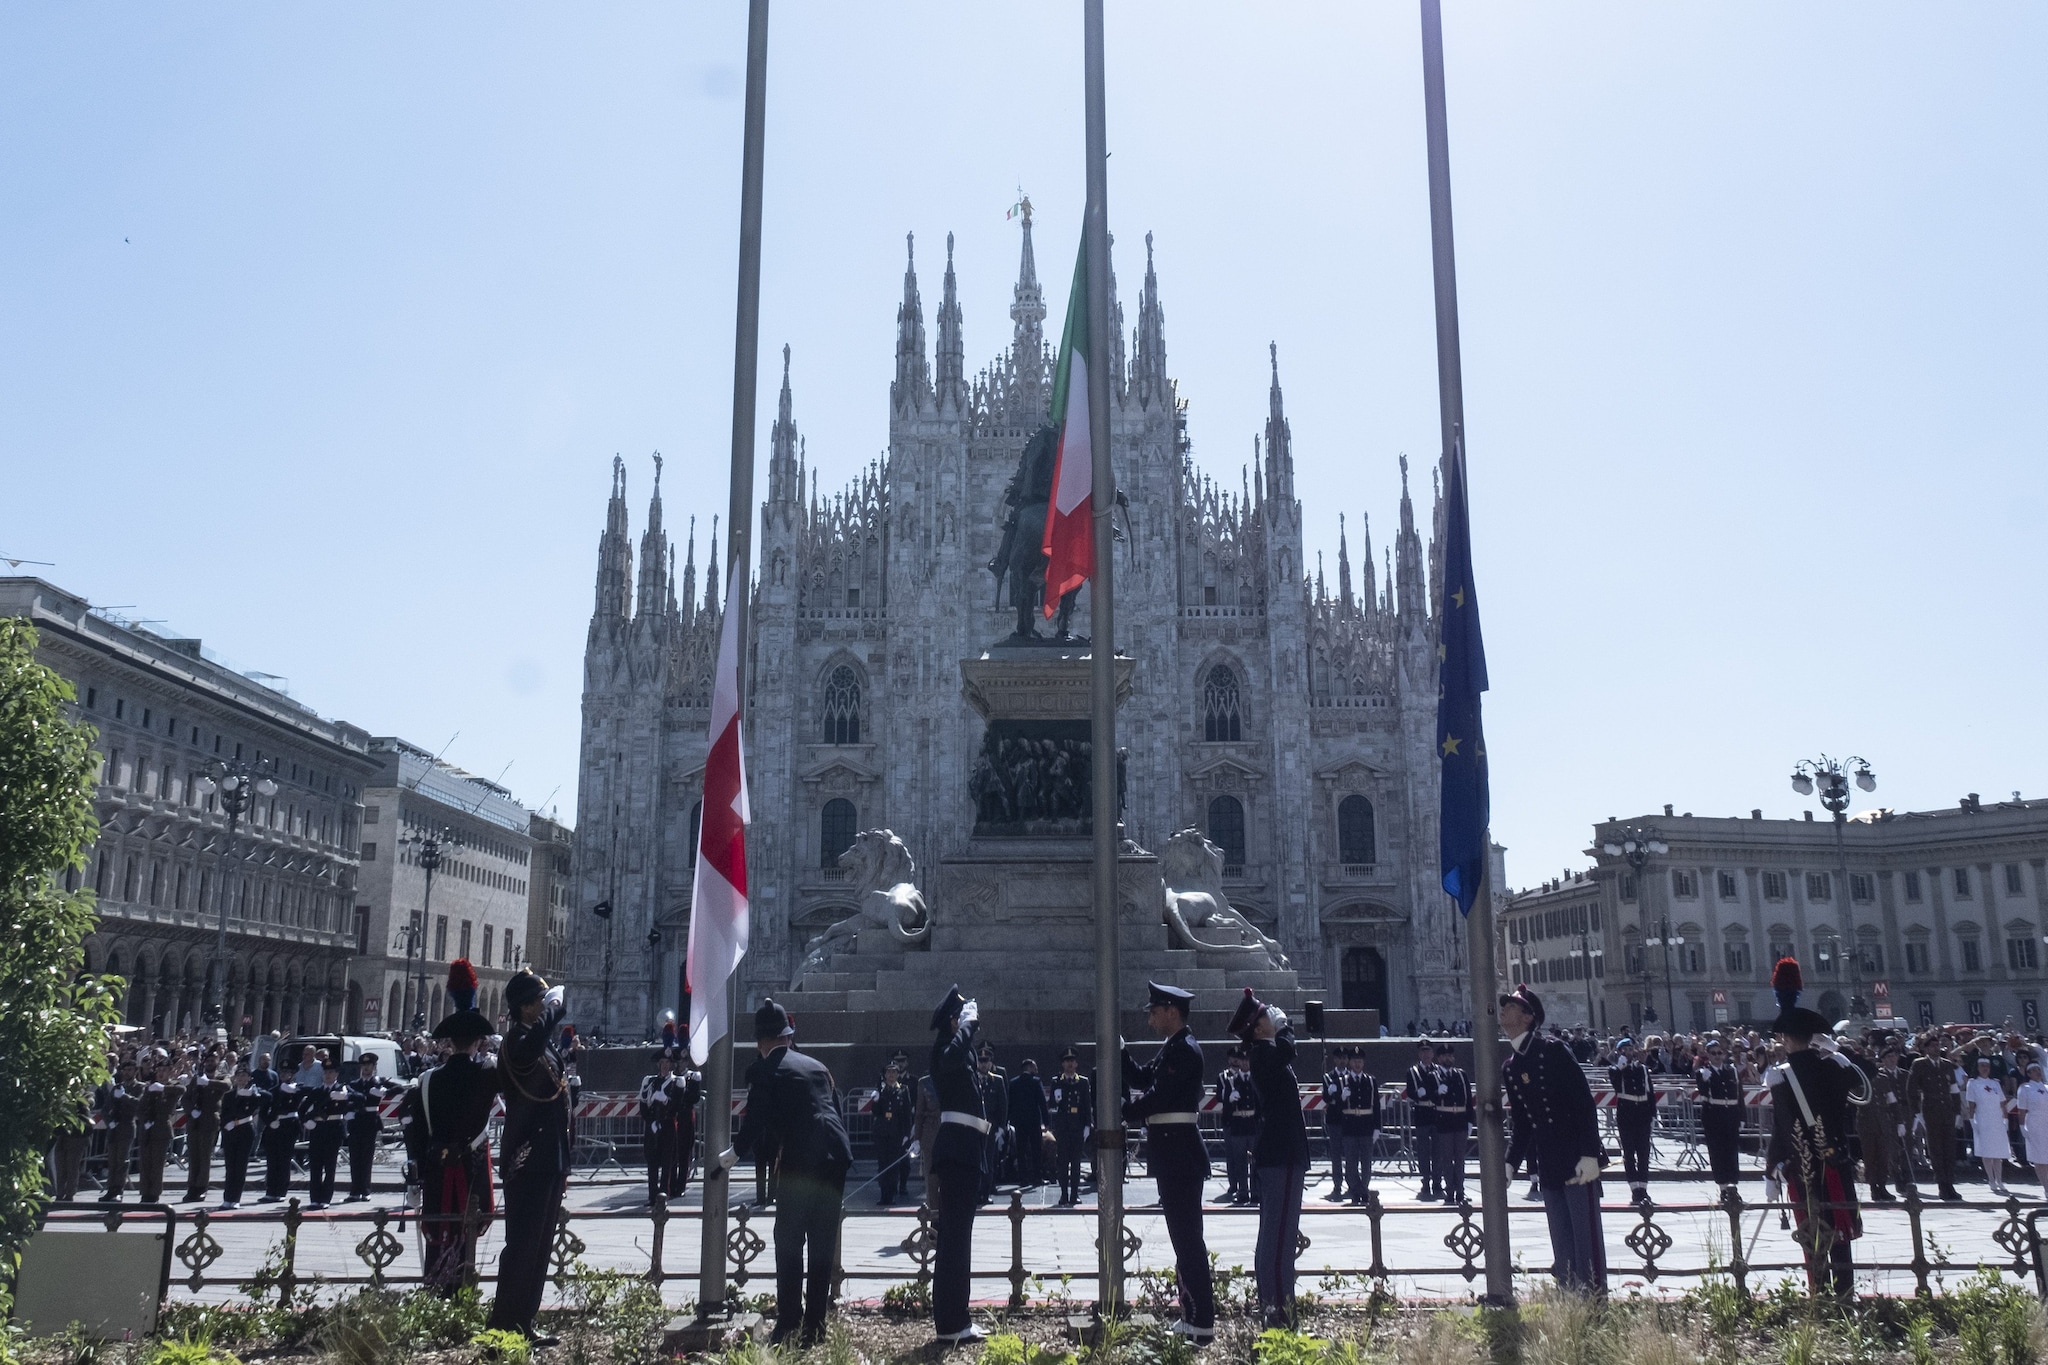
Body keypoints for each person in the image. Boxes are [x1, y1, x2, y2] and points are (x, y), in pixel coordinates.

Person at [734, 998, 854, 1347]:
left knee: (788, 1242)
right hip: (835, 1159)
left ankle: (788, 1323)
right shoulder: (817, 1066)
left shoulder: (766, 1069)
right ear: (788, 1035)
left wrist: (731, 1156)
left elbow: (755, 1121)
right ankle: (815, 1327)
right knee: (821, 1243)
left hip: (800, 1162)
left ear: (761, 1042)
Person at [1763, 958, 1869, 1298]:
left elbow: (1782, 1128)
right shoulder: (1834, 1067)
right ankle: (1845, 1292)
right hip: (1835, 1161)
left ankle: (1820, 1295)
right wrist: (1841, 1054)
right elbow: (1866, 1084)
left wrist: (1770, 1169)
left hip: (1803, 1167)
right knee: (1839, 1231)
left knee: (1813, 1234)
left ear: (1786, 1039)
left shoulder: (1781, 1075)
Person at [486, 967, 574, 1346]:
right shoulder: (516, 1043)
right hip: (528, 1157)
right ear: (524, 1008)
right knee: (522, 1245)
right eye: (539, 1001)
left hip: (550, 1155)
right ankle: (501, 1326)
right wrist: (555, 1009)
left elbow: (559, 1085)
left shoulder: (539, 1042)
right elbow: (534, 1049)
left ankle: (524, 1321)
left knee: (539, 1246)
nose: (544, 1006)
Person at [1122, 982, 1215, 1343]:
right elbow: (1145, 1077)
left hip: (1180, 1155)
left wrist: (1126, 1111)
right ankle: (1191, 1313)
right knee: (1183, 1239)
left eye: (1154, 1012)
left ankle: (1201, 1320)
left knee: (1188, 1239)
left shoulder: (1185, 1051)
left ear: (1171, 1012)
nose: (1150, 1020)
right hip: (1173, 1154)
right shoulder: (1173, 1048)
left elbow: (1160, 1096)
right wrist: (1121, 1054)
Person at [1500, 986, 1606, 1293]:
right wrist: (1511, 1162)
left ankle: (1594, 1303)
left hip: (1575, 1157)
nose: (1504, 1009)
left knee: (1586, 1240)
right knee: (1561, 1238)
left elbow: (1583, 1101)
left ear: (1528, 1017)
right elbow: (1523, 1123)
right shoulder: (1512, 1066)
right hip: (1549, 1160)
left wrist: (1589, 1153)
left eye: (1512, 1006)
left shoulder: (1552, 1050)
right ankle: (1569, 1299)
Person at [399, 984, 497, 1294]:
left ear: (450, 1044)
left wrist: (414, 1167)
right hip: (472, 1164)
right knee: (468, 1227)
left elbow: (411, 1125)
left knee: (440, 1227)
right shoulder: (486, 1075)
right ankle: (463, 1288)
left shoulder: (428, 1079)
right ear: (477, 1043)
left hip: (437, 1165)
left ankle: (435, 1284)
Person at [1231, 988, 1307, 1330]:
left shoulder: (1264, 1053)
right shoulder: (1264, 1054)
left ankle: (1275, 1307)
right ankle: (1279, 1313)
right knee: (1279, 1238)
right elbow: (1288, 1050)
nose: (1271, 1018)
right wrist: (1286, 1026)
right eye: (1266, 1016)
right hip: (1282, 1154)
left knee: (1276, 1235)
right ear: (1258, 1028)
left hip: (1279, 1153)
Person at [927, 986, 988, 1345]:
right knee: (953, 1241)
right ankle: (951, 1322)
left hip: (966, 1150)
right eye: (962, 1018)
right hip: (957, 1152)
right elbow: (951, 1058)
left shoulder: (957, 1053)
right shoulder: (945, 1052)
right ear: (953, 1022)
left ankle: (955, 1319)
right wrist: (968, 1025)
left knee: (957, 1240)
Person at [1906, 1030, 1965, 1201]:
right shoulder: (1919, 1064)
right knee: (1936, 1149)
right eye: (1932, 1046)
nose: (1936, 1048)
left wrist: (1957, 1111)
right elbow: (1911, 1090)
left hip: (1946, 1109)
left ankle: (1950, 1183)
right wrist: (1917, 1113)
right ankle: (1942, 1184)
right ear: (1925, 1049)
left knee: (1949, 1148)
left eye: (1937, 1045)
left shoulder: (1947, 1064)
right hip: (1930, 1109)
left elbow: (1953, 1089)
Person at [1860, 1041, 1913, 1202]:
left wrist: (1900, 1121)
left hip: (1883, 1122)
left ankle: (1882, 1186)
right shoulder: (1859, 1080)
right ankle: (1873, 1187)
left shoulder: (1882, 1078)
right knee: (1870, 1157)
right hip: (1866, 1122)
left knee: (1883, 1156)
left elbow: (1892, 1101)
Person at [1329, 1049, 1380, 1206]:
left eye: (1360, 1061)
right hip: (1349, 1125)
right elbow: (1335, 1108)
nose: (1357, 1064)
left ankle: (1363, 1189)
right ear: (1350, 1063)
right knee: (1351, 1162)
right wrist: (1340, 1098)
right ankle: (1355, 1189)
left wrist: (1377, 1127)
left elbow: (1376, 1105)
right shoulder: (1341, 1082)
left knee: (1366, 1161)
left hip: (1366, 1125)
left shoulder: (1371, 1081)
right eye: (1354, 1061)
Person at [1696, 1038, 1744, 1201]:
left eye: (1719, 1053)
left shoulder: (1731, 1071)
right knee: (1718, 1153)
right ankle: (1723, 1187)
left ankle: (1733, 1187)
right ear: (1708, 1055)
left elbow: (1740, 1095)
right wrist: (1704, 1079)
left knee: (1731, 1152)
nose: (1717, 1056)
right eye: (1713, 1053)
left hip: (1731, 1114)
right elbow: (1703, 1096)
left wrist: (1741, 1116)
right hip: (1714, 1115)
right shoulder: (1703, 1073)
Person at [136, 1052, 188, 1204]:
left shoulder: (172, 1086)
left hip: (161, 1129)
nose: (160, 1073)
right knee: (145, 1163)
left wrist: (162, 1089)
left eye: (164, 1070)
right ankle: (145, 1193)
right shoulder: (150, 1088)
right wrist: (145, 1119)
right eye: (158, 1070)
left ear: (170, 1071)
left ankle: (154, 1194)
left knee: (157, 1164)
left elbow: (181, 1091)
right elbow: (140, 1107)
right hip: (147, 1129)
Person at [1609, 1038, 1656, 1205]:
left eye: (1630, 1049)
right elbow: (1614, 1082)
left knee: (1643, 1153)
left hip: (1642, 1113)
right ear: (1620, 1052)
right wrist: (1621, 1066)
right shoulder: (1616, 1070)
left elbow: (1650, 1093)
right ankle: (1634, 1189)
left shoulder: (1642, 1069)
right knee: (1629, 1154)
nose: (1629, 1052)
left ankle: (1643, 1188)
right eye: (1625, 1050)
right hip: (1626, 1113)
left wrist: (1652, 1114)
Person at [299, 1058, 349, 1209]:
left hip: (333, 1129)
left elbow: (357, 1101)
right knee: (315, 1166)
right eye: (326, 1072)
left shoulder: (342, 1089)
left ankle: (326, 1198)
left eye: (331, 1072)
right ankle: (315, 1198)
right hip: (318, 1129)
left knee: (330, 1166)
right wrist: (306, 1120)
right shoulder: (317, 1091)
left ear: (336, 1074)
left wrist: (345, 1097)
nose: (328, 1075)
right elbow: (302, 1109)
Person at [639, 1052, 688, 1206]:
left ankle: (663, 1195)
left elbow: (678, 1106)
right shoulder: (650, 1081)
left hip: (667, 1125)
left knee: (667, 1162)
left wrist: (666, 1100)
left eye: (667, 1062)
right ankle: (652, 1196)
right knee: (652, 1162)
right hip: (653, 1125)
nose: (665, 1065)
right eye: (662, 1062)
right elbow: (643, 1105)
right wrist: (650, 1121)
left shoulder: (677, 1082)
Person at [344, 1054, 393, 1202]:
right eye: (364, 1066)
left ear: (374, 1067)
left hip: (370, 1122)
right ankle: (354, 1190)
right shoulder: (354, 1084)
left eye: (369, 1065)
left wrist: (384, 1092)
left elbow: (399, 1088)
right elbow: (347, 1099)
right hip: (356, 1121)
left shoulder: (378, 1082)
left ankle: (365, 1189)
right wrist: (349, 1113)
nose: (366, 1068)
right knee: (355, 1156)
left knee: (366, 1156)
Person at [1046, 1048, 1092, 1206]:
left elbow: (1087, 1105)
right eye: (1067, 1061)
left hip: (1078, 1127)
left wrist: (1088, 1125)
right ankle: (1064, 1194)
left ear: (1076, 1063)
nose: (1070, 1064)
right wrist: (1056, 1099)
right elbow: (1051, 1105)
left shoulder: (1083, 1082)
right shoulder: (1057, 1081)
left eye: (1072, 1061)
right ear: (1063, 1064)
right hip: (1063, 1128)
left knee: (1076, 1163)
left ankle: (1074, 1194)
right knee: (1063, 1163)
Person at [181, 1054, 229, 1203]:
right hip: (195, 1121)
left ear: (217, 1062)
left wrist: (209, 1083)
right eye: (207, 1061)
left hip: (209, 1121)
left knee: (204, 1156)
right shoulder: (197, 1079)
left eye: (212, 1061)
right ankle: (192, 1187)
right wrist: (190, 1110)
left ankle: (201, 1187)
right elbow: (185, 1098)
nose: (209, 1063)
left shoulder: (221, 1077)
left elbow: (227, 1086)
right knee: (193, 1156)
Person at [1216, 1046, 1260, 1206]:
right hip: (1238, 1124)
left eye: (1248, 1060)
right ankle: (1243, 1191)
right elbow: (1224, 1106)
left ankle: (1255, 1191)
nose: (1245, 1063)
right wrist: (1229, 1098)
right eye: (1243, 1060)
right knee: (1240, 1160)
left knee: (1255, 1160)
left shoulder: (1256, 1079)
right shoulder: (1231, 1082)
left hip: (1253, 1124)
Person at [1965, 1053, 2013, 1196]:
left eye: (1987, 1066)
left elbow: (2002, 1103)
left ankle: (1999, 1179)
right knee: (1987, 1151)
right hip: (1982, 1119)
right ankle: (1991, 1179)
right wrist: (1972, 1120)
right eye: (1982, 1066)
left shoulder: (1995, 1083)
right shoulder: (1973, 1083)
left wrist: (2005, 1119)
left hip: (1996, 1119)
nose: (1985, 1068)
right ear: (1978, 1067)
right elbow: (1971, 1105)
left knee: (1997, 1152)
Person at [93, 1059, 140, 1203]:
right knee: (112, 1160)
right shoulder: (117, 1087)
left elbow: (139, 1105)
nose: (127, 1073)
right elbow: (105, 1109)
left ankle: (118, 1190)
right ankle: (110, 1189)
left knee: (122, 1160)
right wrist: (109, 1122)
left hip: (127, 1126)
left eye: (130, 1070)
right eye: (125, 1070)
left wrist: (125, 1096)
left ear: (135, 1071)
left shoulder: (140, 1087)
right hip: (115, 1127)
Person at [218, 1060, 264, 1209]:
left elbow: (255, 1107)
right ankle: (227, 1197)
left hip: (245, 1130)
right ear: (235, 1077)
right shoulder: (229, 1095)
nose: (242, 1079)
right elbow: (224, 1113)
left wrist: (254, 1095)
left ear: (249, 1078)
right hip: (231, 1131)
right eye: (240, 1076)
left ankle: (236, 1198)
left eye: (245, 1076)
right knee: (230, 1166)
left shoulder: (252, 1094)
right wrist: (226, 1124)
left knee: (240, 1166)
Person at [872, 1060, 914, 1206]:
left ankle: (891, 1194)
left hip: (896, 1133)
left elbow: (907, 1114)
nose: (891, 1075)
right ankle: (884, 1195)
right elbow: (876, 1113)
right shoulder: (881, 1090)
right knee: (883, 1165)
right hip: (882, 1133)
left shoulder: (903, 1090)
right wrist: (876, 1100)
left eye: (894, 1072)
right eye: (889, 1072)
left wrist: (906, 1135)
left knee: (894, 1165)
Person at [258, 1062, 303, 1203]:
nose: (284, 1075)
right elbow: (264, 1112)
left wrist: (293, 1090)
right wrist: (270, 1121)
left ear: (292, 1074)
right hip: (274, 1127)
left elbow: (306, 1094)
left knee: (284, 1159)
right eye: (282, 1072)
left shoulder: (297, 1089)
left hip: (289, 1127)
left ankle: (281, 1190)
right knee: (272, 1160)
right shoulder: (273, 1091)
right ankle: (271, 1190)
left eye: (287, 1072)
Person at [1404, 1039, 1441, 1201]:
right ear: (1419, 1054)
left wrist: (1427, 1092)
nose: (1426, 1055)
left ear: (1432, 1054)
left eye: (1429, 1051)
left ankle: (1438, 1181)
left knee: (1438, 1150)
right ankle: (1426, 1179)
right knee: (1424, 1151)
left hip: (1437, 1112)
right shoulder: (1413, 1072)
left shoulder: (1439, 1070)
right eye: (1423, 1052)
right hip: (1422, 1113)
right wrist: (1420, 1094)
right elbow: (1411, 1092)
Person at [1433, 1044, 1470, 1205]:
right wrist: (1436, 1093)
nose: (1448, 1058)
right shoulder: (1433, 1076)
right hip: (1445, 1120)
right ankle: (1449, 1189)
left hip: (1460, 1119)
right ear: (1439, 1058)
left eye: (1450, 1056)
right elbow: (1429, 1099)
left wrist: (1470, 1120)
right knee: (1447, 1158)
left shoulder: (1461, 1075)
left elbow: (1468, 1099)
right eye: (1445, 1056)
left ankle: (1460, 1190)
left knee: (1460, 1158)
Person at [975, 1043, 1009, 1202]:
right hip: (974, 1126)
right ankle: (975, 1192)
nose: (983, 1064)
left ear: (991, 1062)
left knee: (989, 1161)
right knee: (975, 1161)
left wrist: (1002, 1127)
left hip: (991, 1127)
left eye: (986, 1061)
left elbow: (1003, 1105)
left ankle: (985, 1193)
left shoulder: (997, 1080)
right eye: (981, 1060)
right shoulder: (972, 1079)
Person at [1008, 1059, 1046, 1187]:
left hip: (1019, 1122)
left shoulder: (1013, 1083)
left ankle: (1023, 1178)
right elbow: (1042, 1102)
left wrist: (1010, 1120)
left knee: (1021, 1151)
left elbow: (1010, 1103)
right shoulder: (1036, 1082)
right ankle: (1037, 1177)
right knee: (1036, 1150)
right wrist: (1045, 1121)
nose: (1036, 1070)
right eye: (1034, 1067)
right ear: (1029, 1067)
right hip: (1034, 1121)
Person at [2014, 1063, 2048, 1185]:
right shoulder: (2025, 1088)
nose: (2037, 1072)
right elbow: (2021, 1110)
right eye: (2034, 1070)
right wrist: (2023, 1127)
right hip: (2034, 1124)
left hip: (2046, 1123)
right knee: (2039, 1157)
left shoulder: (2046, 1087)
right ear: (2028, 1073)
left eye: (2038, 1069)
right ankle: (2045, 1186)